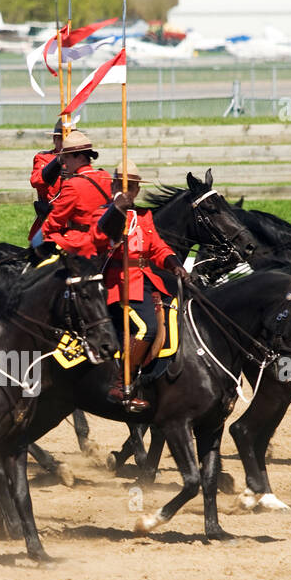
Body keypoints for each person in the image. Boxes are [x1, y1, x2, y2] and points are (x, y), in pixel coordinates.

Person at [92, 160, 189, 412]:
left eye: (133, 187)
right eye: (124, 186)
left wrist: (174, 263)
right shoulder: (103, 213)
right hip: (119, 283)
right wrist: (116, 210)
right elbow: (103, 236)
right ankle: (121, 383)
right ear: (114, 185)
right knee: (148, 327)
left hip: (146, 281)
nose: (129, 192)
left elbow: (157, 247)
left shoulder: (144, 216)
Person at [40, 130, 112, 259]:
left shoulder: (72, 185)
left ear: (81, 158)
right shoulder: (105, 176)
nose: (64, 163)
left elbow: (56, 220)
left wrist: (38, 238)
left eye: (67, 157)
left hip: (83, 243)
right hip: (107, 239)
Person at [28, 120, 65, 243]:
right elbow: (36, 181)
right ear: (55, 139)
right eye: (63, 139)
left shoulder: (79, 160)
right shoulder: (44, 158)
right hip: (49, 218)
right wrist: (57, 164)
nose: (67, 143)